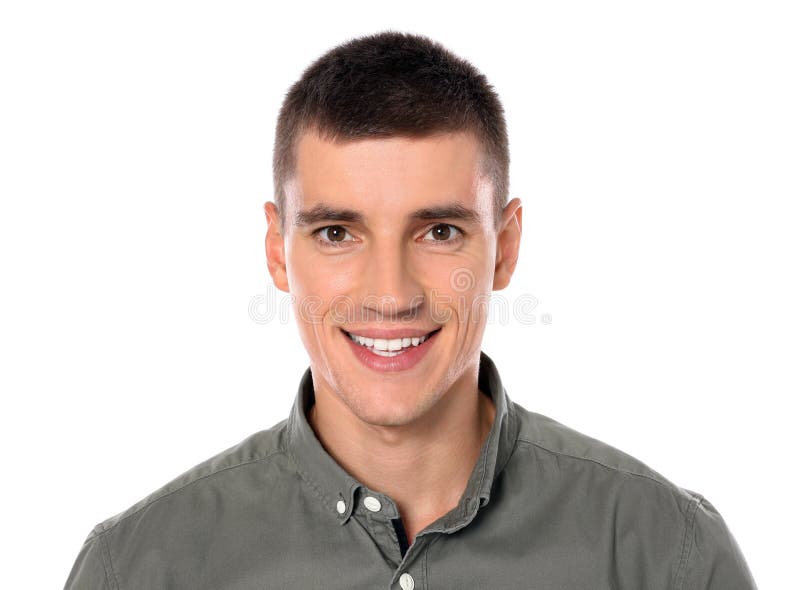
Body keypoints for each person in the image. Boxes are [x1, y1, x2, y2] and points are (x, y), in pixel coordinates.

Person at [64, 30, 757, 590]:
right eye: (337, 233)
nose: (391, 295)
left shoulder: (667, 559)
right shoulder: (140, 570)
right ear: (278, 252)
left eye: (440, 232)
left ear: (505, 247)